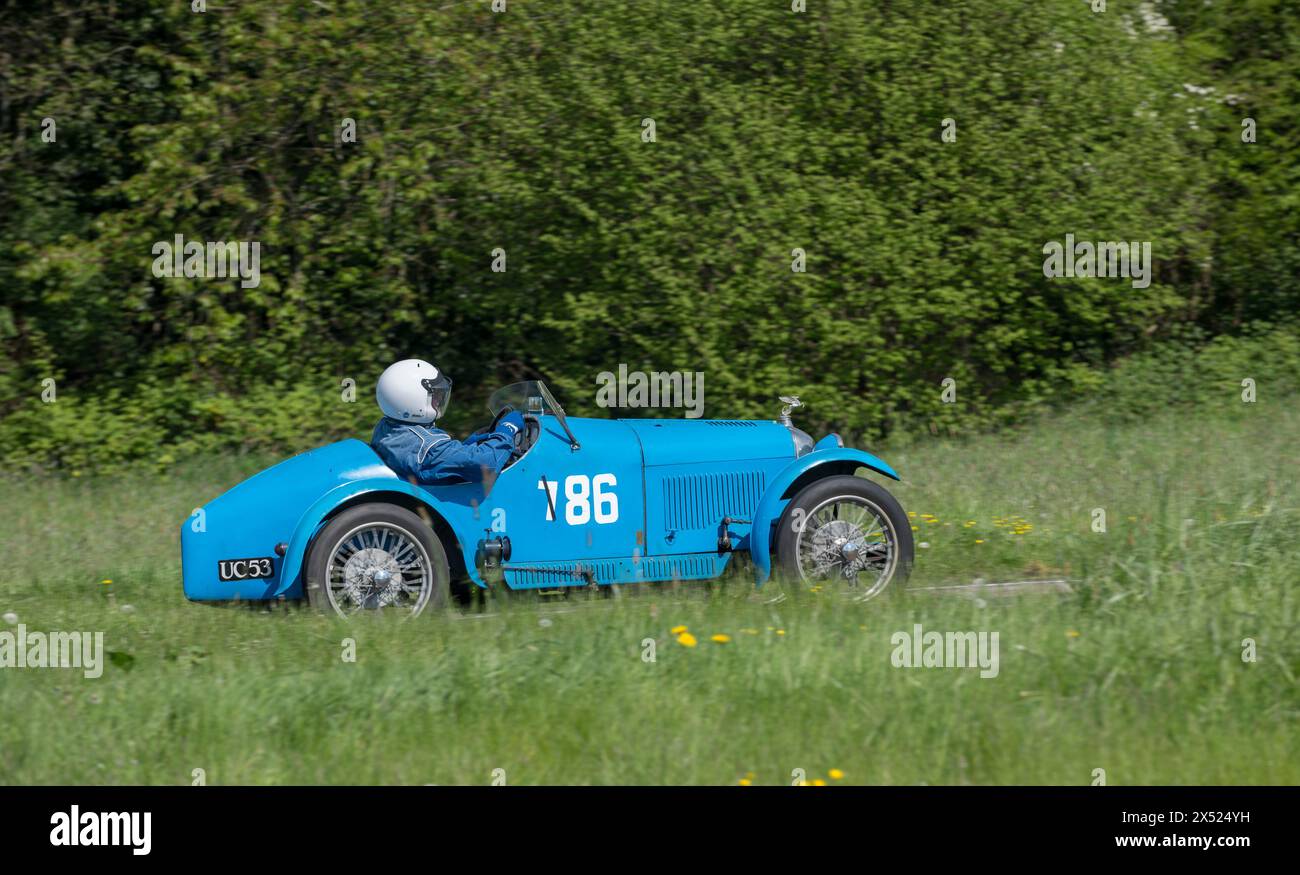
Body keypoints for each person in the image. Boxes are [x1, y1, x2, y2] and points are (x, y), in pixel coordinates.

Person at [371, 358, 524, 486]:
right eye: (434, 394)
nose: (438, 399)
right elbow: (487, 464)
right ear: (411, 398)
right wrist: (507, 430)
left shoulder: (388, 429)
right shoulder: (427, 447)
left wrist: (466, 446)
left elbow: (440, 459)